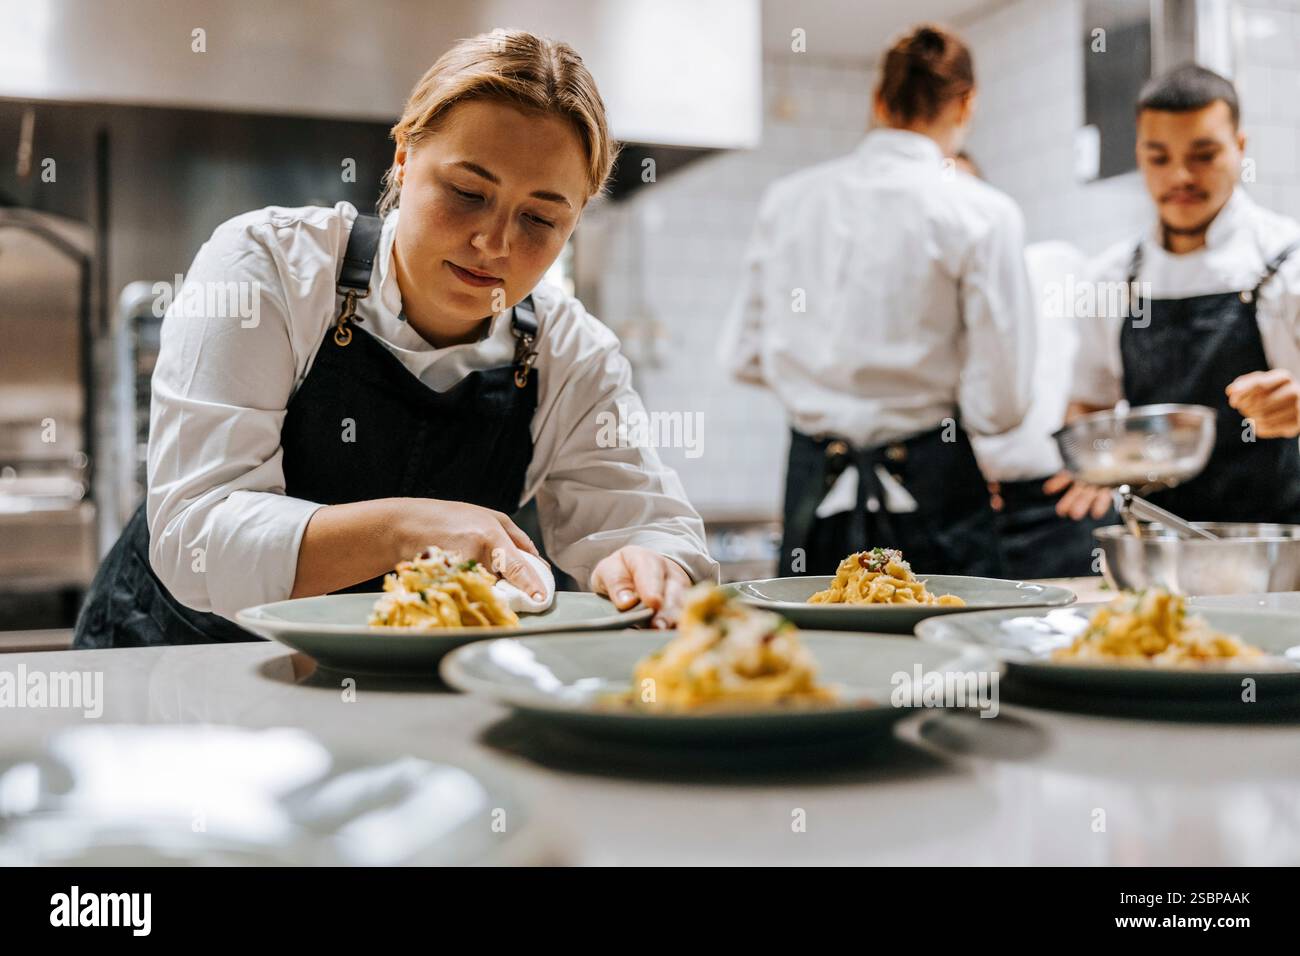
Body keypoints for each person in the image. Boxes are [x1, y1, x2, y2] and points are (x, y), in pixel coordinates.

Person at [74, 30, 717, 648]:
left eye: (541, 218)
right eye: (468, 193)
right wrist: (409, 528)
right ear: (404, 157)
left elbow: (641, 519)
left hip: (388, 689)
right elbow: (197, 539)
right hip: (182, 669)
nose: (494, 244)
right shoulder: (268, 268)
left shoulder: (571, 353)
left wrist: (650, 566)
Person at [720, 24, 1035, 577]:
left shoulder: (789, 201)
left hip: (814, 489)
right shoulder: (984, 213)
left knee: (815, 652)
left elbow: (742, 356)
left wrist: (827, 384)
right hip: (934, 494)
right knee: (953, 655)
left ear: (878, 99)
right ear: (966, 104)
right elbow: (1000, 407)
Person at [1063, 64, 1300, 525]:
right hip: (1155, 540)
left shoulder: (1289, 261)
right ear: (1139, 154)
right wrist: (1092, 463)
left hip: (1277, 537)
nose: (1180, 176)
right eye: (1158, 157)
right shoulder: (1112, 277)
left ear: (1240, 148)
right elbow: (1089, 405)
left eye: (1204, 155)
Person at [954, 154, 1111, 578]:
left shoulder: (1058, 266)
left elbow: (1115, 366)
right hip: (964, 517)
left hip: (1064, 509)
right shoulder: (913, 307)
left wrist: (1107, 462)